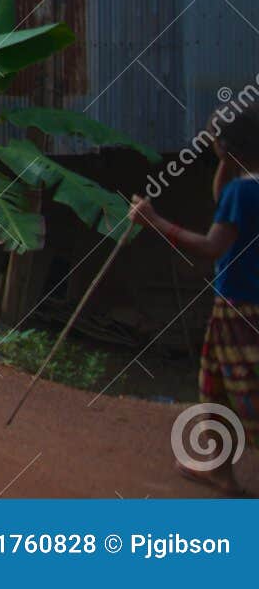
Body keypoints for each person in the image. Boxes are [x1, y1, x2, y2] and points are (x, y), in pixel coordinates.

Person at [132, 100, 259, 497]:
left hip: (241, 308)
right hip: (239, 305)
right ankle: (219, 472)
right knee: (215, 385)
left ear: (228, 146)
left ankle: (221, 470)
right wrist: (229, 156)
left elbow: (211, 246)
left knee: (247, 389)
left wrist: (156, 223)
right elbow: (223, 198)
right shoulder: (244, 188)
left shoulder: (243, 192)